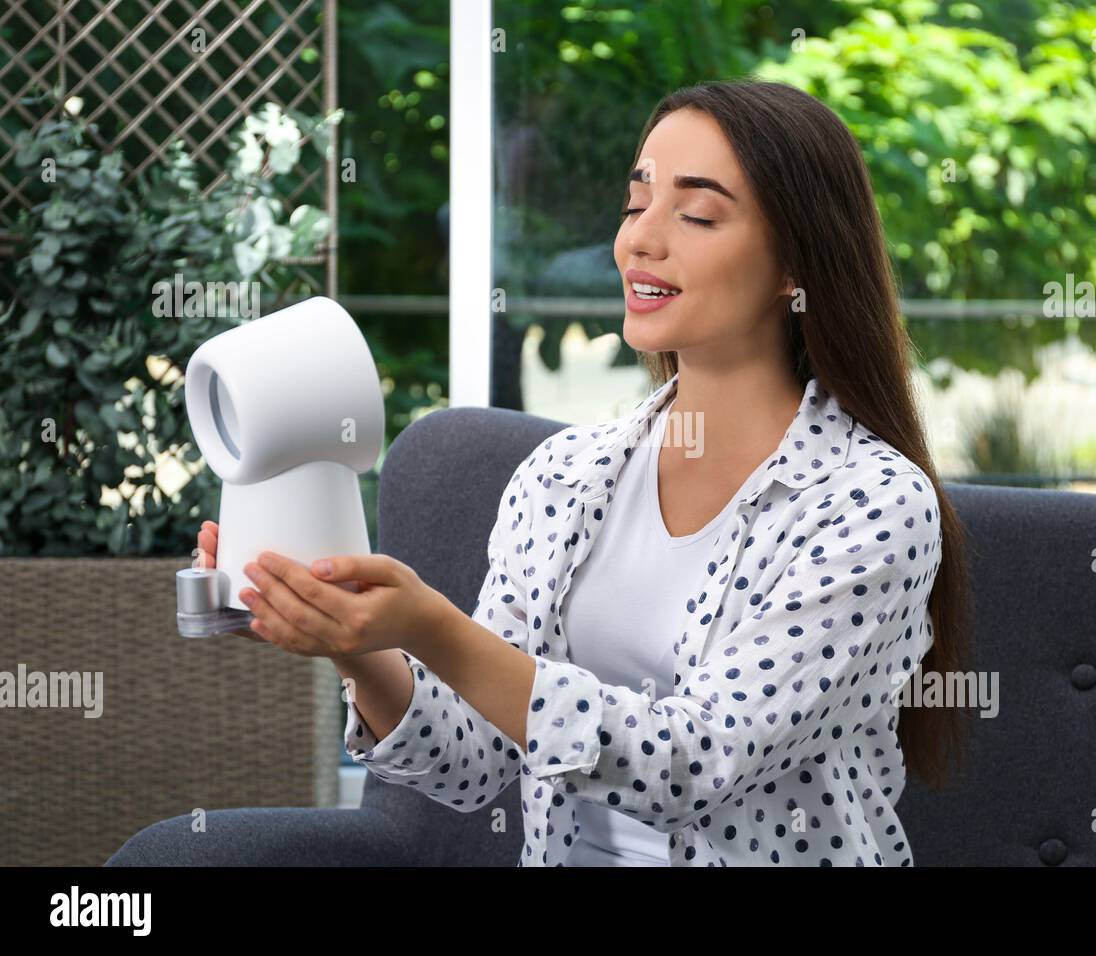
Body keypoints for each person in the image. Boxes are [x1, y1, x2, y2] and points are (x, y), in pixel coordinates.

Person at [201, 78, 974, 866]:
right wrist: (353, 635)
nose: (641, 239)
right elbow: (472, 761)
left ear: (795, 265)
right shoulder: (564, 476)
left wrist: (434, 627)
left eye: (698, 213)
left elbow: (698, 763)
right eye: (636, 203)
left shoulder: (869, 504)